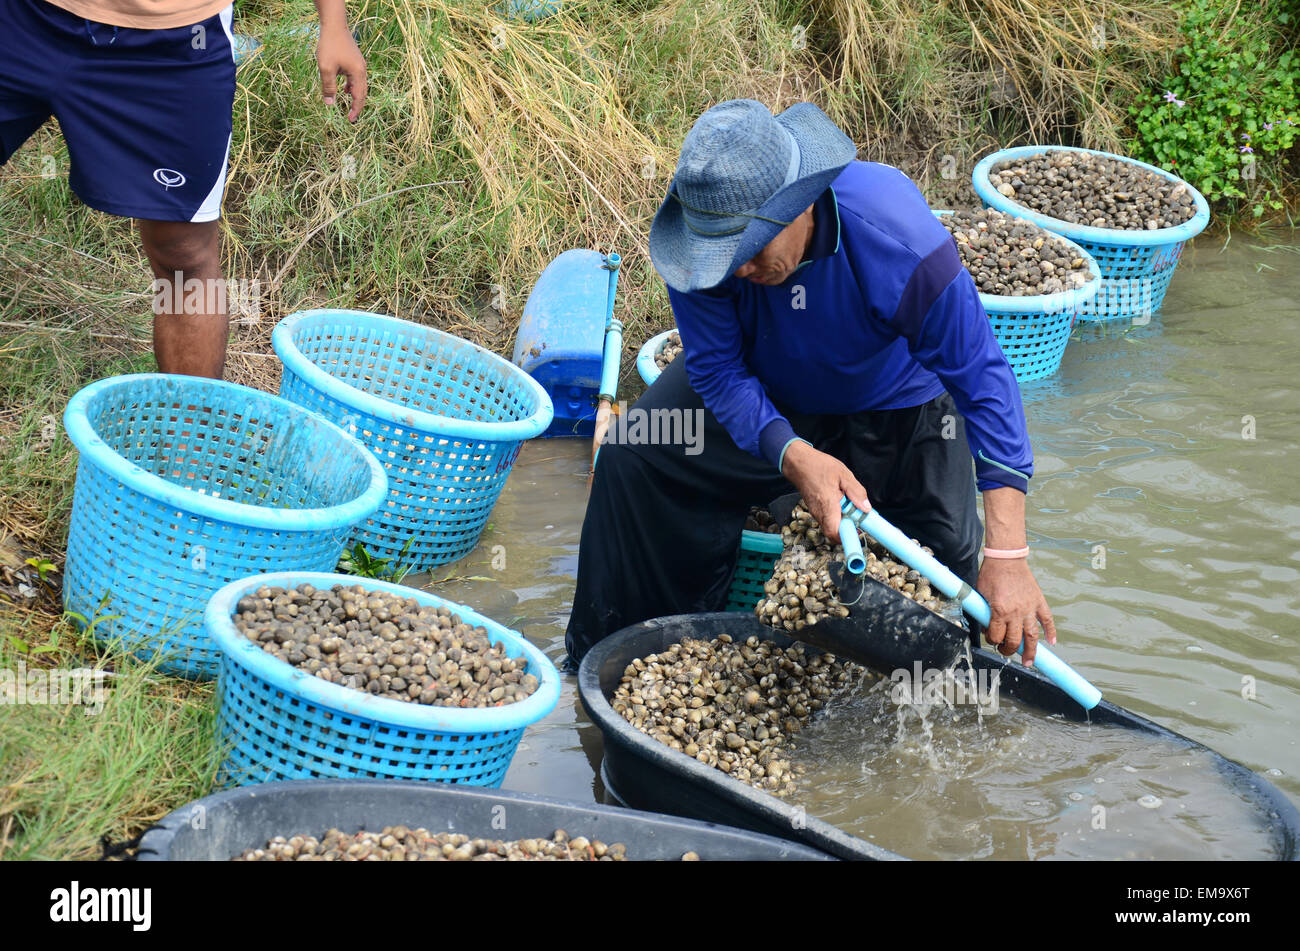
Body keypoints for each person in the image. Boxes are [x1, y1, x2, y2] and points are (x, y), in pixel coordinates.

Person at [565, 99, 1056, 668]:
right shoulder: (701, 246)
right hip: (768, 390)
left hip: (899, 404)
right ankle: (627, 662)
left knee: (943, 581)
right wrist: (792, 455)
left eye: (748, 253)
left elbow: (984, 381)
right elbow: (718, 369)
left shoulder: (895, 239)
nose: (736, 270)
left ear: (800, 205)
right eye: (721, 258)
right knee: (636, 460)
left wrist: (1009, 553)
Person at [0, 0, 367, 379]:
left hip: (176, 45)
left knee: (184, 256)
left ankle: (188, 430)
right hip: (23, 20)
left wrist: (334, 24)